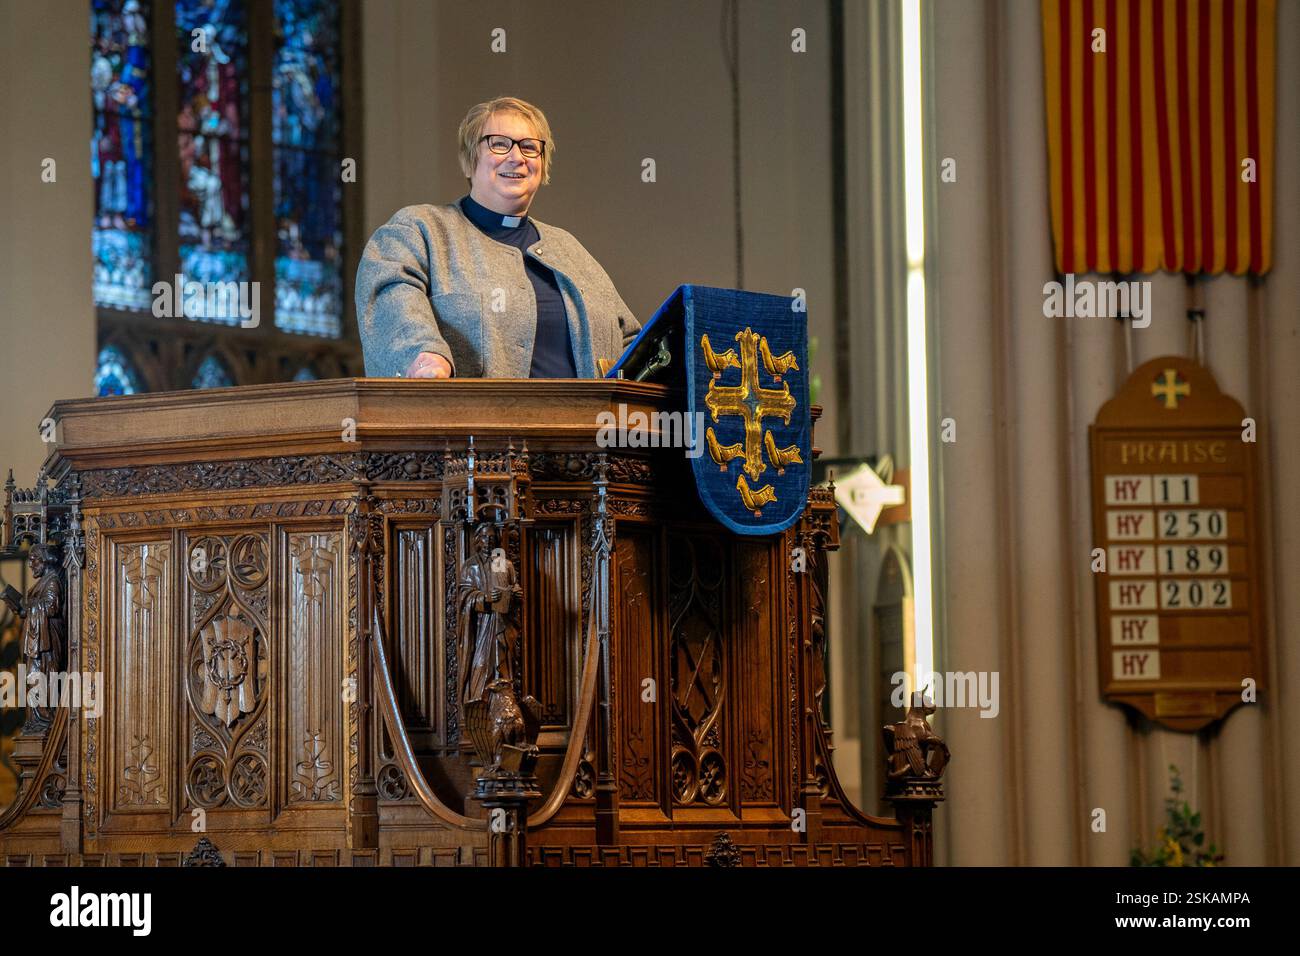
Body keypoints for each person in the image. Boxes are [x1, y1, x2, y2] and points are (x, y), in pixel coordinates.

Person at [356, 96, 641, 379]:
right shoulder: (420, 230)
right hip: (473, 423)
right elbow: (391, 294)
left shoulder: (569, 248)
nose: (516, 157)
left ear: (542, 166)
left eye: (530, 147)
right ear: (469, 161)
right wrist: (423, 356)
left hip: (585, 424)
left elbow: (631, 341)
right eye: (499, 144)